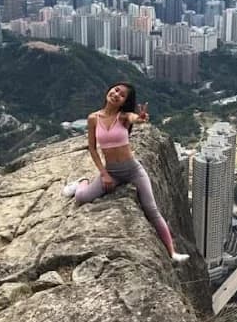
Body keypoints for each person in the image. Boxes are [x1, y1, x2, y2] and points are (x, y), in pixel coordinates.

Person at [63, 82, 190, 263]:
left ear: (124, 102)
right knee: (81, 198)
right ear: (109, 90)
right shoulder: (93, 118)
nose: (116, 94)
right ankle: (80, 182)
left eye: (122, 95)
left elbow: (134, 118)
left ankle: (172, 252)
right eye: (115, 90)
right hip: (112, 172)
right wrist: (104, 174)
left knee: (151, 209)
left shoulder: (123, 117)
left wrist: (141, 117)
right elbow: (92, 148)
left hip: (133, 170)